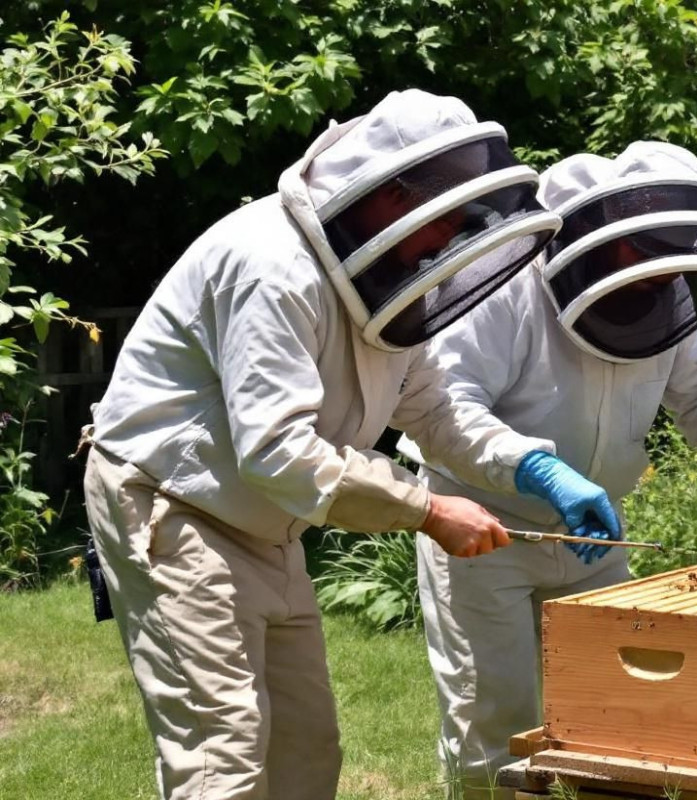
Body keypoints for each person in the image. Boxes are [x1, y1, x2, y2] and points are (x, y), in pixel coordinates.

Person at [82, 89, 562, 800]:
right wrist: (428, 510)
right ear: (391, 196)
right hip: (172, 504)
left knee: (306, 748)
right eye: (446, 217)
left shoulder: (391, 275)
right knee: (225, 754)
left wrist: (530, 463)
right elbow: (277, 449)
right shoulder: (272, 266)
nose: (449, 238)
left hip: (265, 520)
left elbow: (429, 407)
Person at [399, 141, 697, 799]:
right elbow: (443, 406)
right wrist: (537, 470)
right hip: (483, 526)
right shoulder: (508, 283)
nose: (657, 274)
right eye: (645, 254)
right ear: (601, 233)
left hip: (595, 533)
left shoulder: (668, 294)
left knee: (611, 708)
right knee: (494, 712)